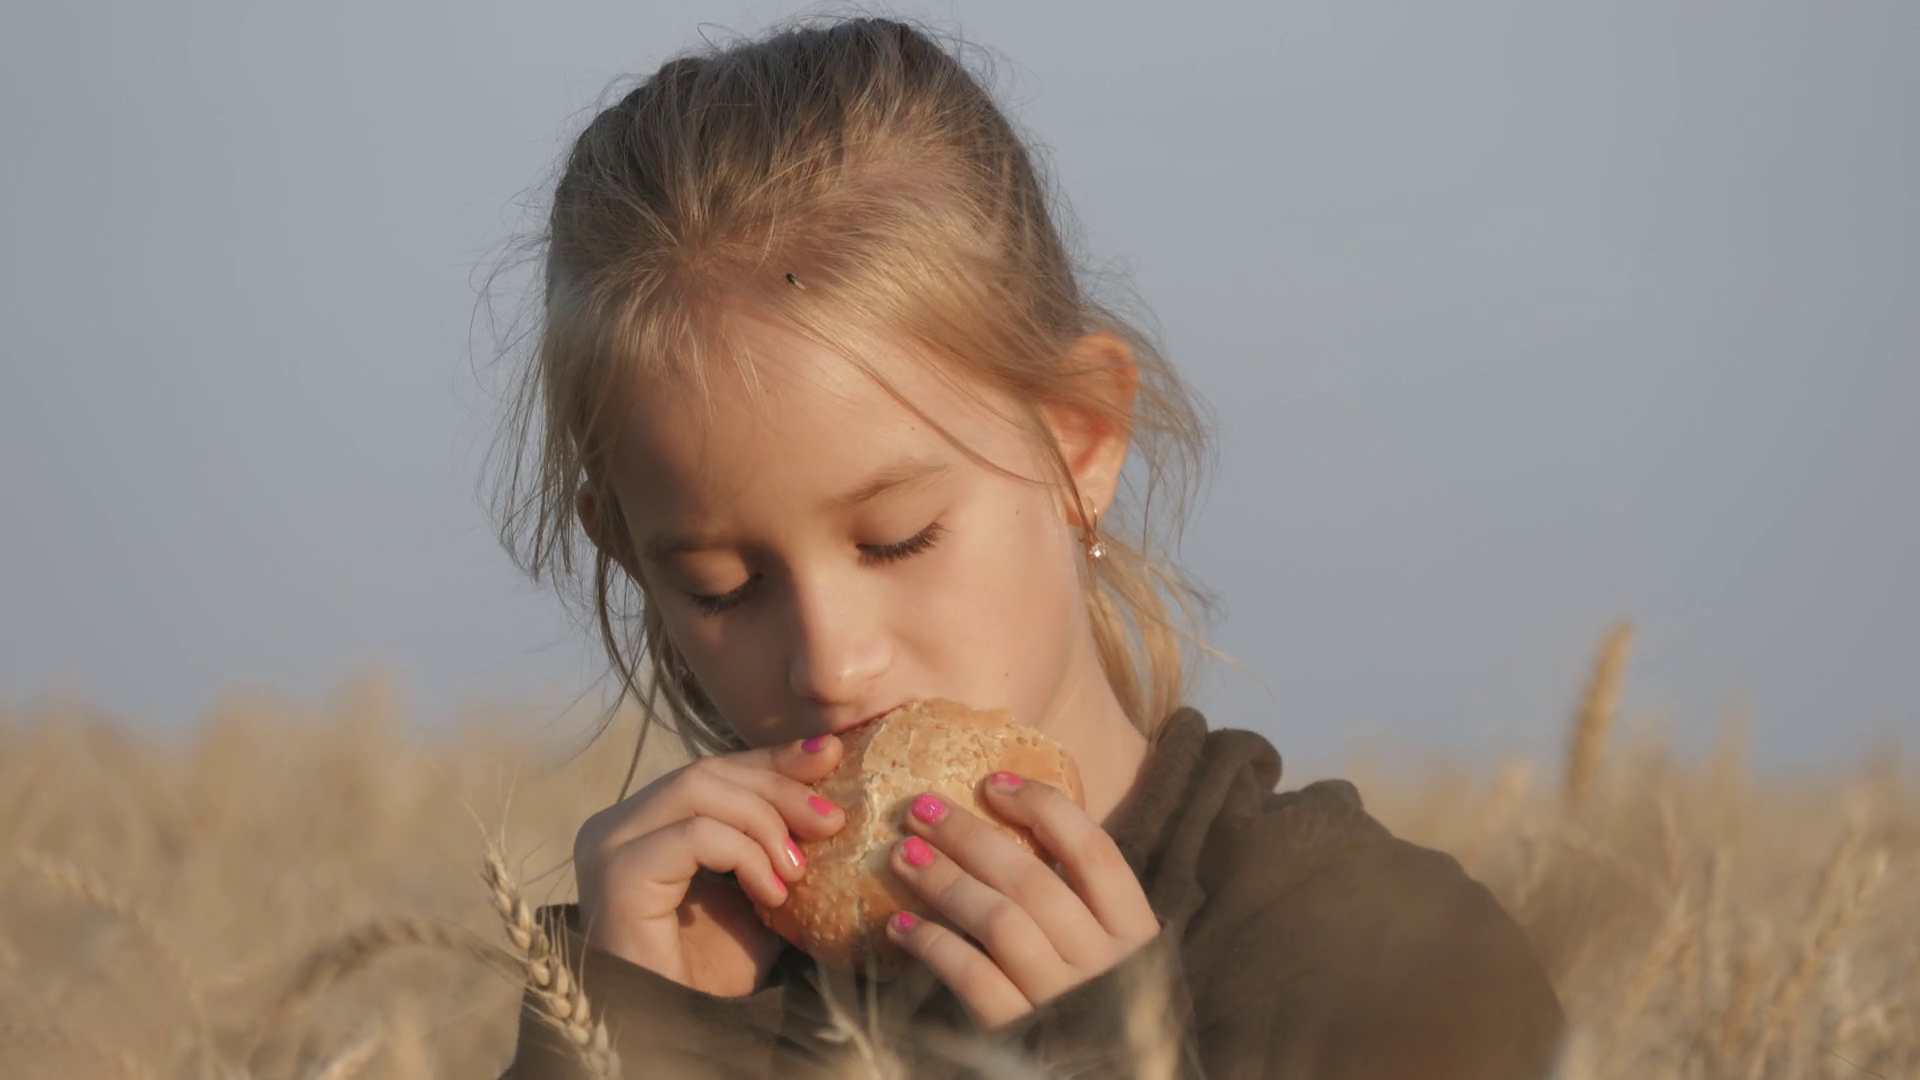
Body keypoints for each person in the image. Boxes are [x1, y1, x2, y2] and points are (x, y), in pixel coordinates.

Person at [489, 16, 1565, 1079]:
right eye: (722, 587)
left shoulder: (1373, 963)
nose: (831, 662)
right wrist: (615, 1045)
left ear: (1080, 444)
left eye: (899, 540)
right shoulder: (674, 974)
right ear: (630, 560)